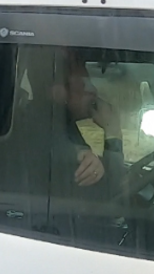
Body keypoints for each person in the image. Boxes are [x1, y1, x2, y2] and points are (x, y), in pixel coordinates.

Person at [49, 49, 126, 196]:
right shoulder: (50, 134)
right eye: (84, 85)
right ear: (59, 91)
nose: (94, 91)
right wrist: (113, 132)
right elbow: (112, 191)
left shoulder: (63, 126)